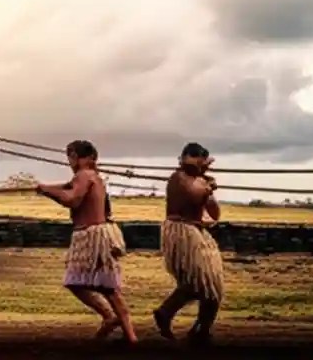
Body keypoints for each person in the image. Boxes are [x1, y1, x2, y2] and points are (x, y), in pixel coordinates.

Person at [36, 140, 137, 345]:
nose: (70, 162)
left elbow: (72, 199)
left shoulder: (84, 175)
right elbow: (66, 188)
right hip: (94, 233)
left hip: (91, 235)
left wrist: (46, 191)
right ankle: (124, 329)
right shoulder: (92, 176)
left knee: (90, 284)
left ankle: (116, 321)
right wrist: (44, 188)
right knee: (101, 286)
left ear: (77, 157)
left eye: (71, 157)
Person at [153, 142, 225, 345]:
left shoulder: (200, 180)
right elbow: (193, 195)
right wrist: (206, 185)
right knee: (197, 282)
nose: (196, 162)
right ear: (184, 158)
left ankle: (200, 329)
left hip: (197, 232)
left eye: (200, 159)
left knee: (212, 285)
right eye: (193, 158)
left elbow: (214, 213)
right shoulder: (178, 177)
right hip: (181, 232)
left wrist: (208, 189)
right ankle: (166, 312)